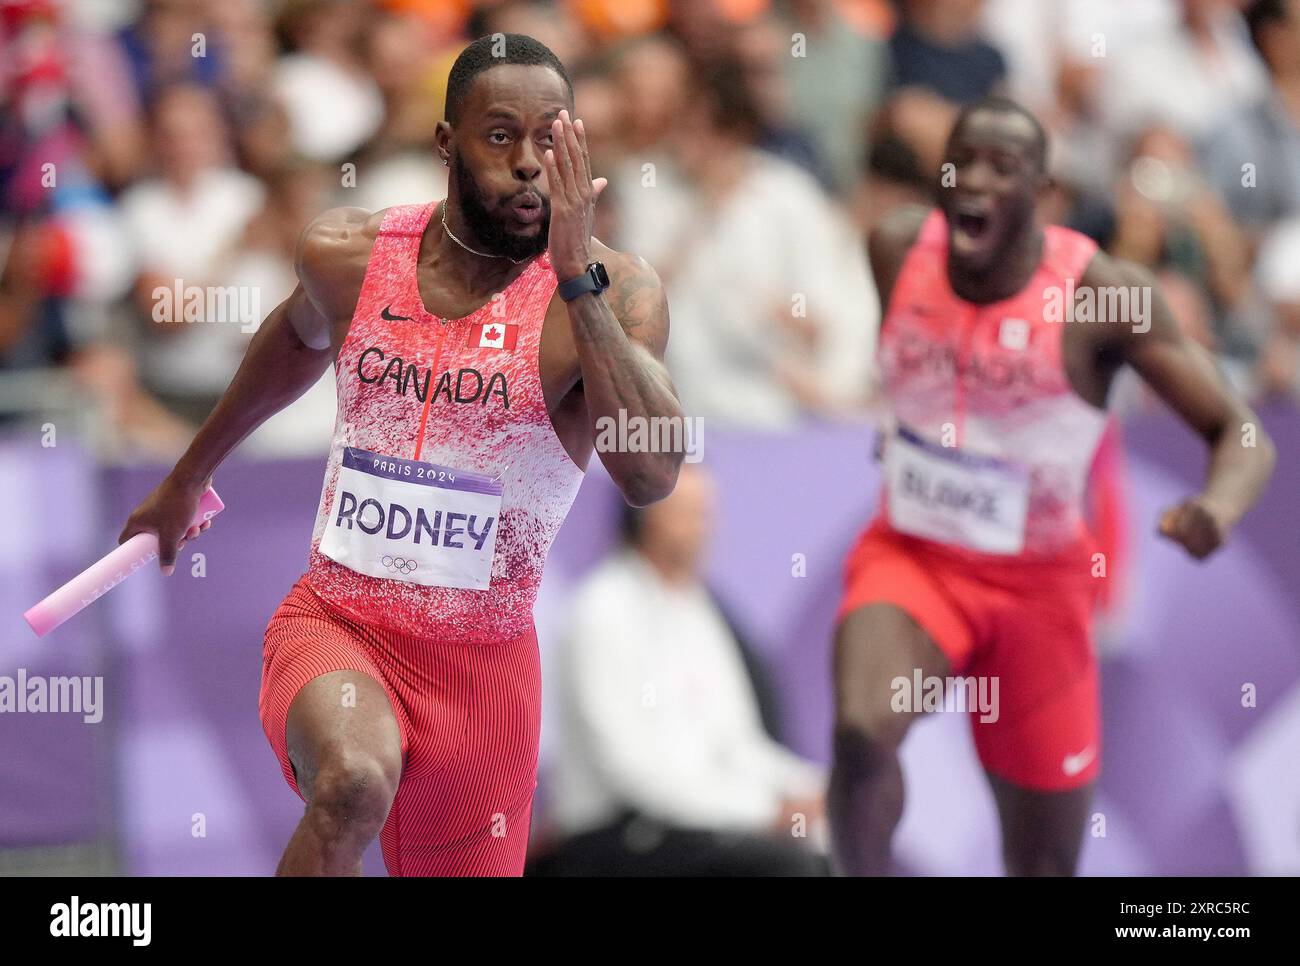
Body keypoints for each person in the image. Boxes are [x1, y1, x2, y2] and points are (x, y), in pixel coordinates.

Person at [117, 33, 684, 877]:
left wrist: (575, 278)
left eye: (551, 138)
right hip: (339, 624)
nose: (529, 162)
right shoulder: (351, 256)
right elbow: (297, 334)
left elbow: (649, 476)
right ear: (446, 146)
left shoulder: (613, 294)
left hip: (484, 678)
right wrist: (188, 474)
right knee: (352, 781)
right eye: (500, 136)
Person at [829, 97, 1276, 876]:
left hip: (1040, 590)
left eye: (1003, 169)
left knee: (1041, 864)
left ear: (1044, 191)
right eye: (960, 161)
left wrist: (1218, 507)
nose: (973, 180)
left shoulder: (1102, 297)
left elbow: (1239, 432)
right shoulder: (897, 249)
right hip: (913, 557)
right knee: (864, 729)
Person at [542, 463, 827, 876]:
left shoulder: (699, 610)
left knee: (829, 847)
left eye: (707, 514)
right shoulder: (601, 610)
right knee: (786, 865)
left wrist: (815, 791)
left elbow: (737, 743)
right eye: (690, 513)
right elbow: (633, 773)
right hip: (617, 833)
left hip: (700, 822)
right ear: (647, 514)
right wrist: (762, 812)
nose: (704, 528)